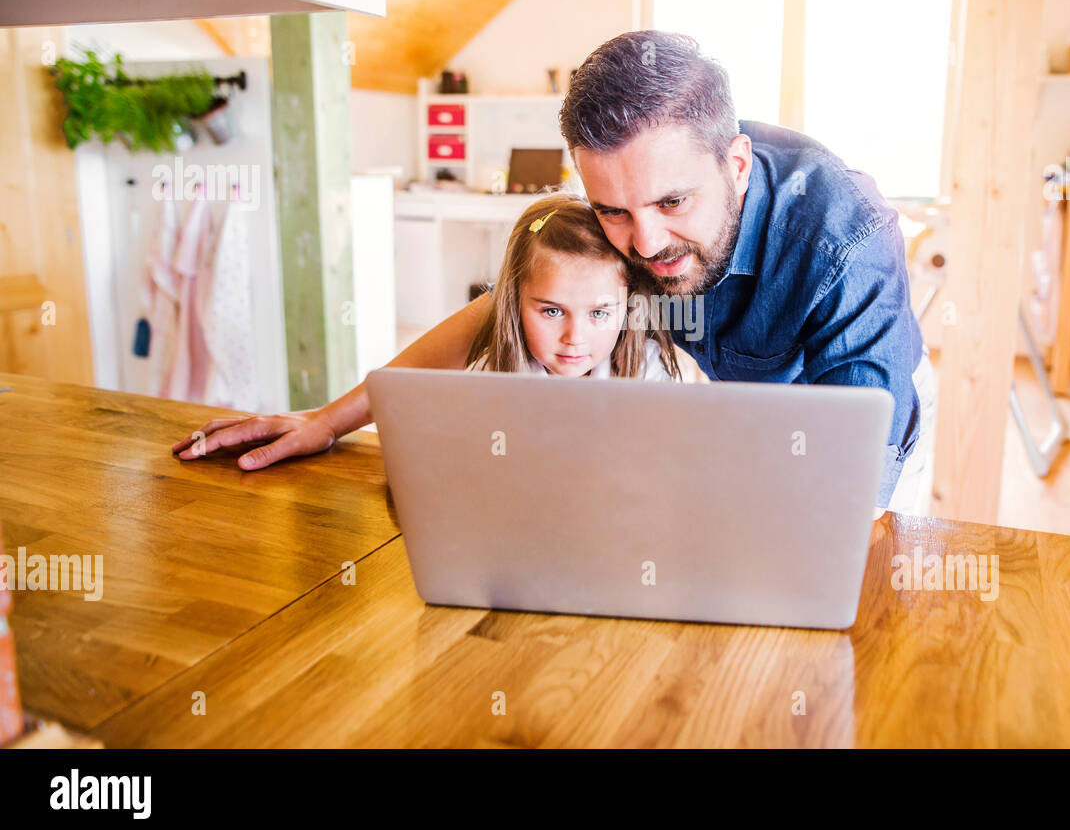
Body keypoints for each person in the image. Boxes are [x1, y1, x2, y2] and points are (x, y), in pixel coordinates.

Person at [173, 30, 933, 516]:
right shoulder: (636, 210)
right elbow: (500, 310)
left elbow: (852, 482)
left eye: (674, 201)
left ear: (735, 166)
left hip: (854, 435)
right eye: (615, 211)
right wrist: (329, 419)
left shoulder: (845, 243)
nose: (647, 242)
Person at [463, 192, 703, 382]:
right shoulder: (487, 377)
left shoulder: (647, 371)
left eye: (599, 313)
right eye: (552, 311)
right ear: (515, 300)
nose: (574, 338)